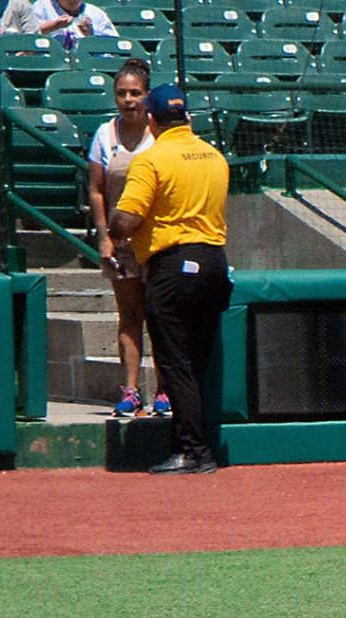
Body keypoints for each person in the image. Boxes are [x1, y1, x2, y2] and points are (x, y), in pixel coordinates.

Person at [111, 84, 228, 475]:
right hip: (214, 263)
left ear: (152, 119)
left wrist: (115, 227)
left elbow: (125, 221)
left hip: (174, 264)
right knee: (195, 363)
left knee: (175, 362)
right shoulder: (214, 156)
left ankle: (194, 451)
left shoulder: (151, 158)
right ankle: (191, 446)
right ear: (186, 116)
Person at [85, 59, 163, 422]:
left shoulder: (160, 132)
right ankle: (131, 393)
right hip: (121, 242)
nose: (128, 100)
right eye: (121, 93)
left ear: (147, 96)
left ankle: (164, 391)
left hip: (158, 242)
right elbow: (97, 191)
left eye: (135, 93)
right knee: (129, 316)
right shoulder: (104, 135)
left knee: (160, 317)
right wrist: (104, 237)